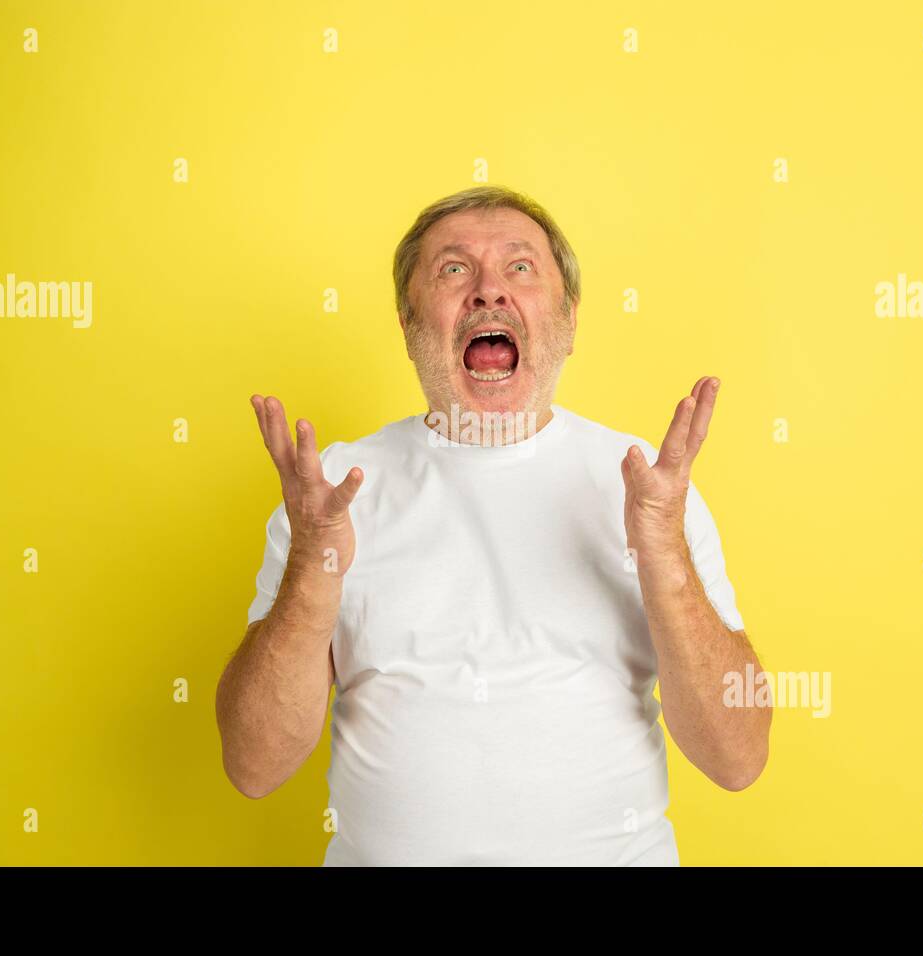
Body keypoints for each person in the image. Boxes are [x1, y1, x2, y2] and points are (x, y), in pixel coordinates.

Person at [215, 185, 771, 865]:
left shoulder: (647, 486)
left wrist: (663, 553)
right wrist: (312, 567)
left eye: (520, 267)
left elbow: (737, 757)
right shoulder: (328, 494)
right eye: (453, 270)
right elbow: (253, 765)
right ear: (407, 322)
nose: (488, 292)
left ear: (568, 321)